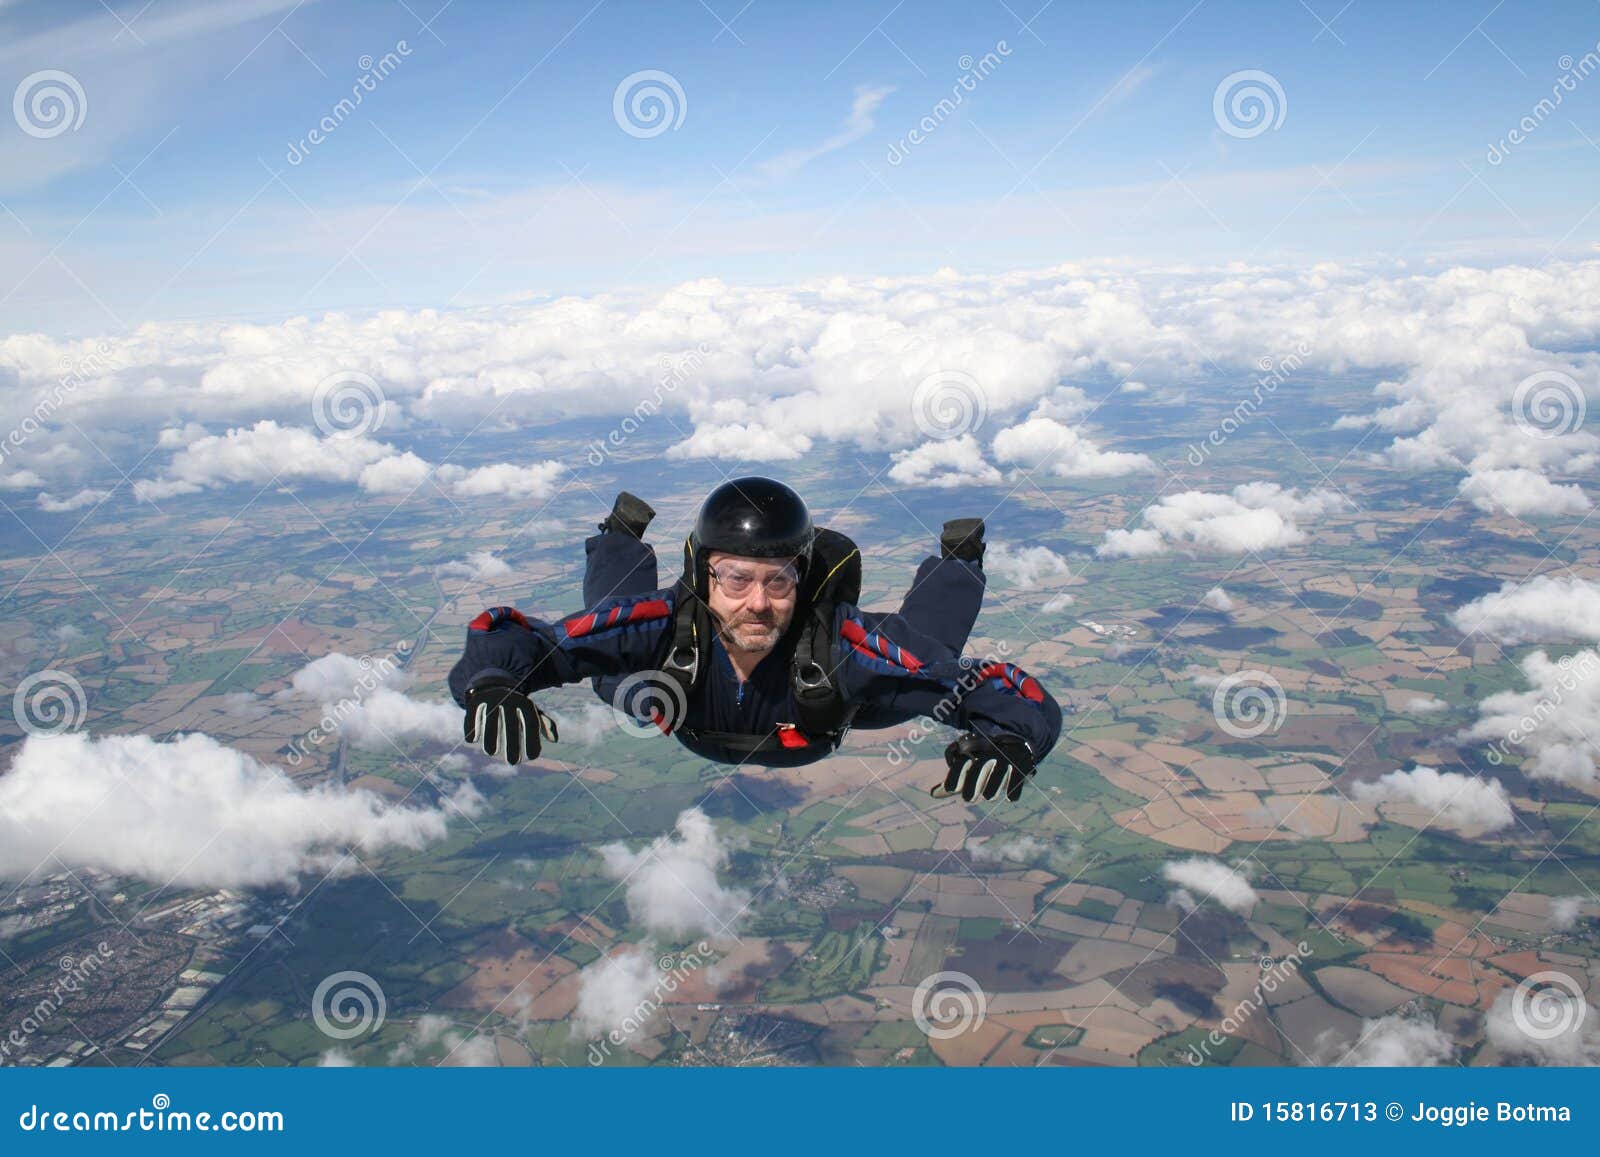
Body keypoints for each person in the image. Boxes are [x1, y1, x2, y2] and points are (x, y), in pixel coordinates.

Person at [448, 477, 1063, 802]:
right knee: (610, 628)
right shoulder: (663, 626)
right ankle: (620, 535)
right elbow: (515, 634)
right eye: (736, 578)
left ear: (805, 578)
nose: (759, 604)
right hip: (671, 698)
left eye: (780, 580)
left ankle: (959, 557)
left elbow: (993, 684)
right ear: (702, 576)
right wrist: (494, 683)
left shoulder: (841, 645)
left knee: (928, 650)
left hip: (825, 706)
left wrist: (1011, 737)